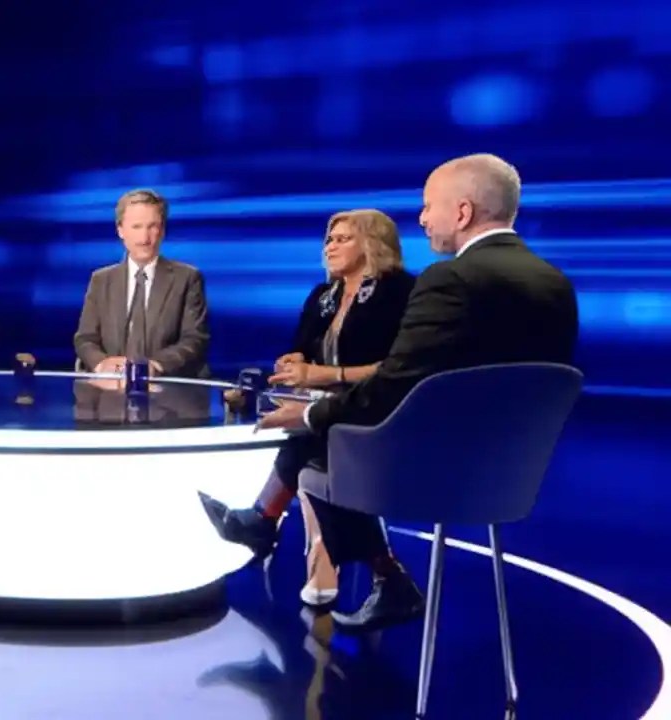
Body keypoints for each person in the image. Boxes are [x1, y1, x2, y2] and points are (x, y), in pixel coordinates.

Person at [259, 153, 579, 632]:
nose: (423, 218)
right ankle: (364, 571)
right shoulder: (555, 284)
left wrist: (311, 415)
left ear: (463, 212)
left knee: (317, 452)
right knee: (326, 438)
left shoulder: (448, 280)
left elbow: (394, 385)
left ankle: (373, 572)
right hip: (511, 477)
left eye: (429, 206)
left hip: (435, 473)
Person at [200, 209, 415, 606]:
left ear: (373, 243)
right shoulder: (323, 296)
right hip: (330, 408)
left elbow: (397, 368)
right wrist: (294, 364)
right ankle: (386, 574)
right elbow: (302, 348)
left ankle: (264, 519)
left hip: (380, 408)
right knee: (314, 450)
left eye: (343, 239)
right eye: (328, 239)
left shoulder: (399, 292)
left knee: (315, 437)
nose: (330, 246)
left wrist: (322, 374)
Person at [73, 189, 210, 378]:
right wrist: (102, 364)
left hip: (168, 388)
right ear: (120, 230)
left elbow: (194, 339)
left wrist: (155, 366)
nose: (145, 238)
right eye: (136, 227)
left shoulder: (187, 278)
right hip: (109, 389)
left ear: (162, 230)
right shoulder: (101, 280)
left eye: (152, 226)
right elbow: (85, 339)